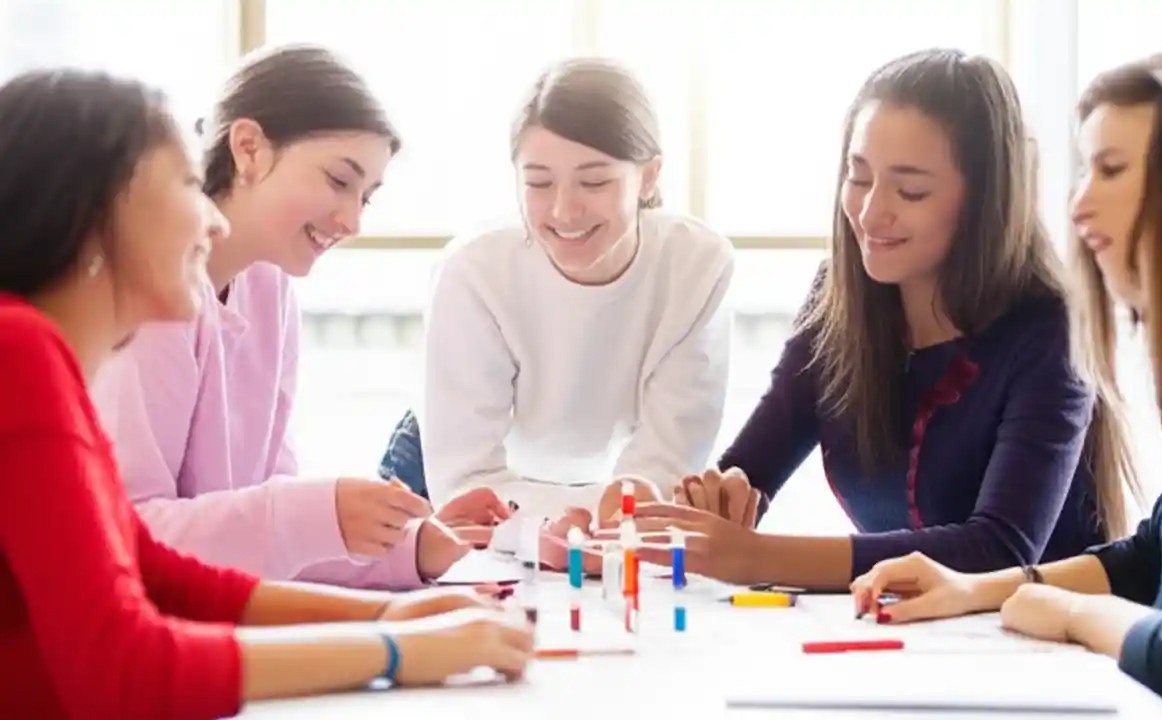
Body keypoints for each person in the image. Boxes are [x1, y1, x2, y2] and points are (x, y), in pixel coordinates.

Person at [0, 68, 532, 720]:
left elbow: (158, 572)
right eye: (192, 184)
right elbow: (124, 667)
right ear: (98, 207)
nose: (213, 221)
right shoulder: (18, 351)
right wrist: (394, 647)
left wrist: (392, 610)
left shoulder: (39, 353)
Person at [848, 53, 1162, 720]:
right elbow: (1150, 553)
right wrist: (975, 589)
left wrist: (1072, 612)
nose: (1079, 204)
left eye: (1110, 170)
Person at [636, 48, 1136, 588]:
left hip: (1036, 645)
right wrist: (715, 503)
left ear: (987, 200)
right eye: (858, 177)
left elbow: (1000, 548)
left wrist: (755, 556)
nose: (871, 213)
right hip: (906, 639)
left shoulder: (1051, 330)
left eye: (910, 190)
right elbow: (747, 474)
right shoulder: (838, 298)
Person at [91, 44, 507, 590]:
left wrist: (413, 545)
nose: (354, 220)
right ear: (249, 149)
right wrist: (318, 514)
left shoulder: (269, 286)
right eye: (339, 181)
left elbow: (268, 538)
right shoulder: (152, 295)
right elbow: (129, 535)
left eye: (368, 196)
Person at [379, 57, 734, 552]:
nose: (565, 211)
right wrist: (606, 514)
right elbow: (465, 481)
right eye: (539, 183)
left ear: (649, 177)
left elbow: (663, 470)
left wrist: (613, 514)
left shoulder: (698, 264)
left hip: (607, 507)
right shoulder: (475, 270)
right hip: (447, 484)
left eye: (594, 182)